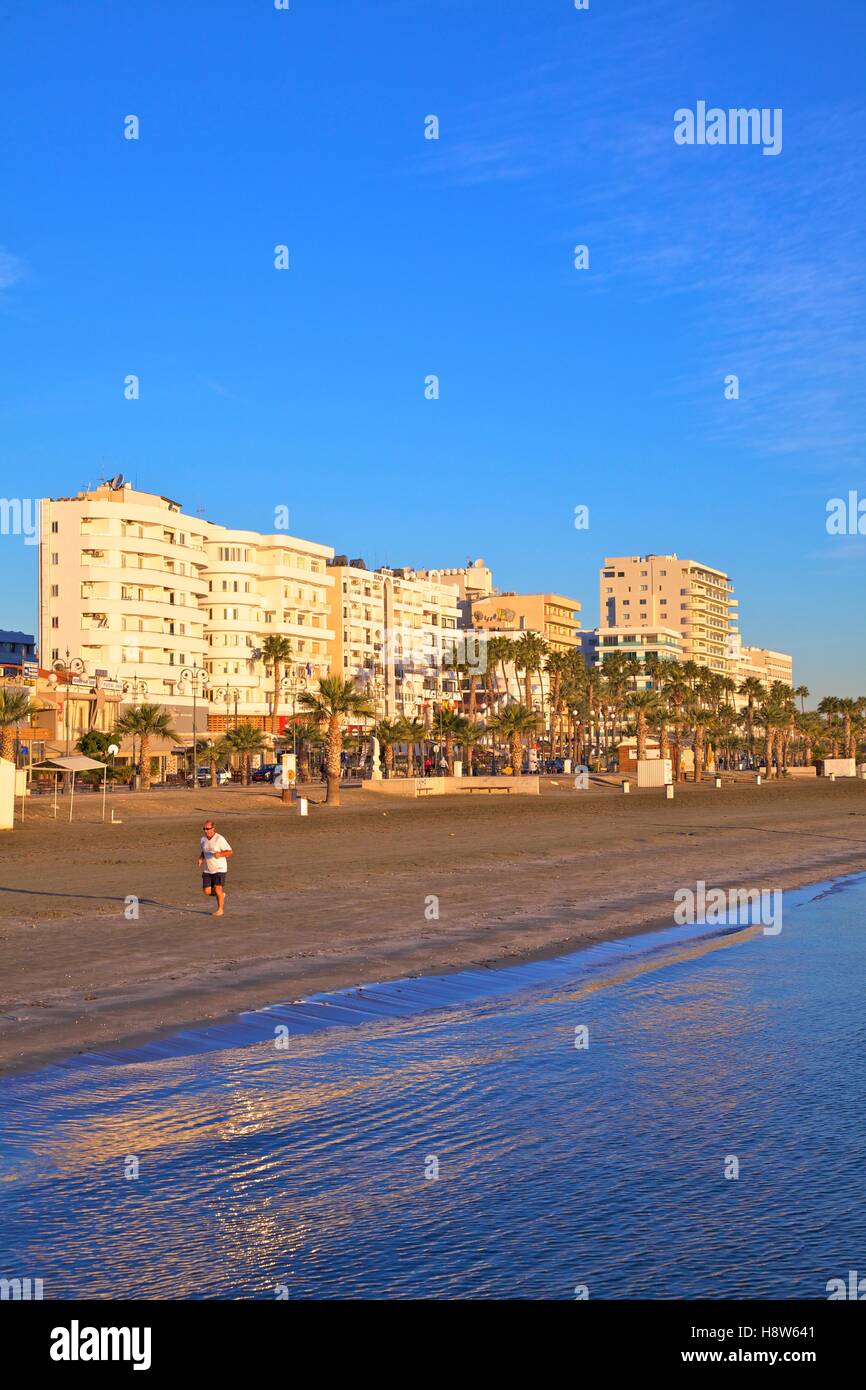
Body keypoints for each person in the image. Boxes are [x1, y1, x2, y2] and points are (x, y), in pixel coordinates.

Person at [198, 819, 232, 917]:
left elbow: (230, 852)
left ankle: (220, 910)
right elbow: (203, 851)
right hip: (208, 869)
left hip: (220, 868)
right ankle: (221, 895)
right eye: (204, 829)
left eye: (208, 829)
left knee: (217, 889)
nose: (206, 831)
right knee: (206, 891)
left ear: (213, 828)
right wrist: (201, 858)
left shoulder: (219, 839)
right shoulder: (203, 840)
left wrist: (220, 854)